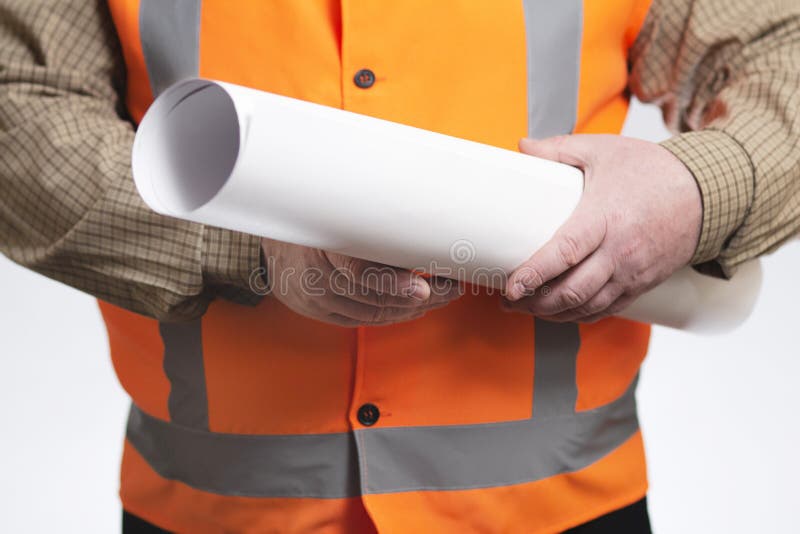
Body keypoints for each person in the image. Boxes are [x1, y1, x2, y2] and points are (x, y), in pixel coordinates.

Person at [0, 0, 797, 532]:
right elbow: (17, 107)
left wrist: (693, 190)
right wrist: (250, 249)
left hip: (556, 509)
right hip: (214, 510)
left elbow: (780, 53)